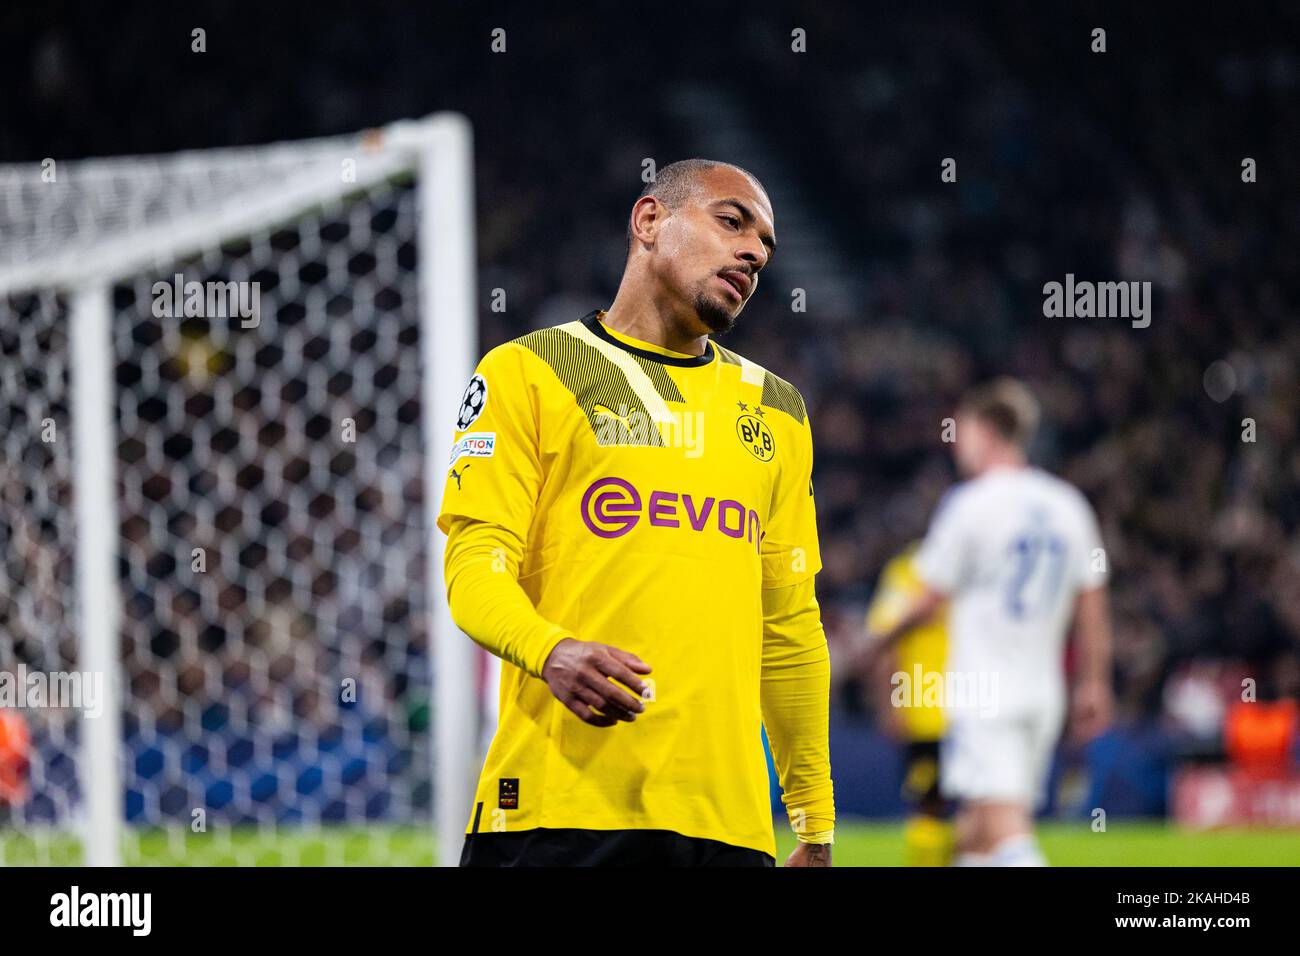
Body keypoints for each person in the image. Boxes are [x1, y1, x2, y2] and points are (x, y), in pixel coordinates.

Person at [439, 159, 834, 866]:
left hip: (728, 832)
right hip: (557, 816)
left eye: (765, 247)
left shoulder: (778, 412)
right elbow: (474, 566)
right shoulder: (530, 371)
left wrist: (813, 817)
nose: (752, 252)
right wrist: (549, 650)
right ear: (649, 221)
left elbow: (790, 625)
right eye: (731, 221)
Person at [860, 378, 1113, 866]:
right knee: (974, 835)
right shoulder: (1069, 505)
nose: (957, 443)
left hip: (985, 692)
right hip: (1043, 694)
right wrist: (1094, 683)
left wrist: (871, 643)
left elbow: (924, 602)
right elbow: (1093, 604)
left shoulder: (971, 504)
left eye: (963, 431)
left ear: (985, 431)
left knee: (1005, 833)